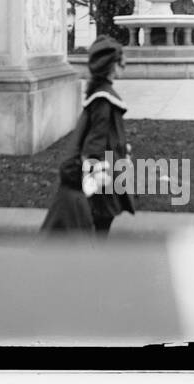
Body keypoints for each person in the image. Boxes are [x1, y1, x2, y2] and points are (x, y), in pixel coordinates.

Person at [40, 35, 135, 238]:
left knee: (98, 226)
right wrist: (94, 188)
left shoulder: (101, 95)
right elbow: (94, 145)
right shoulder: (103, 99)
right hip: (102, 179)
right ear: (112, 66)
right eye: (122, 62)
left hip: (104, 174)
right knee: (100, 226)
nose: (124, 67)